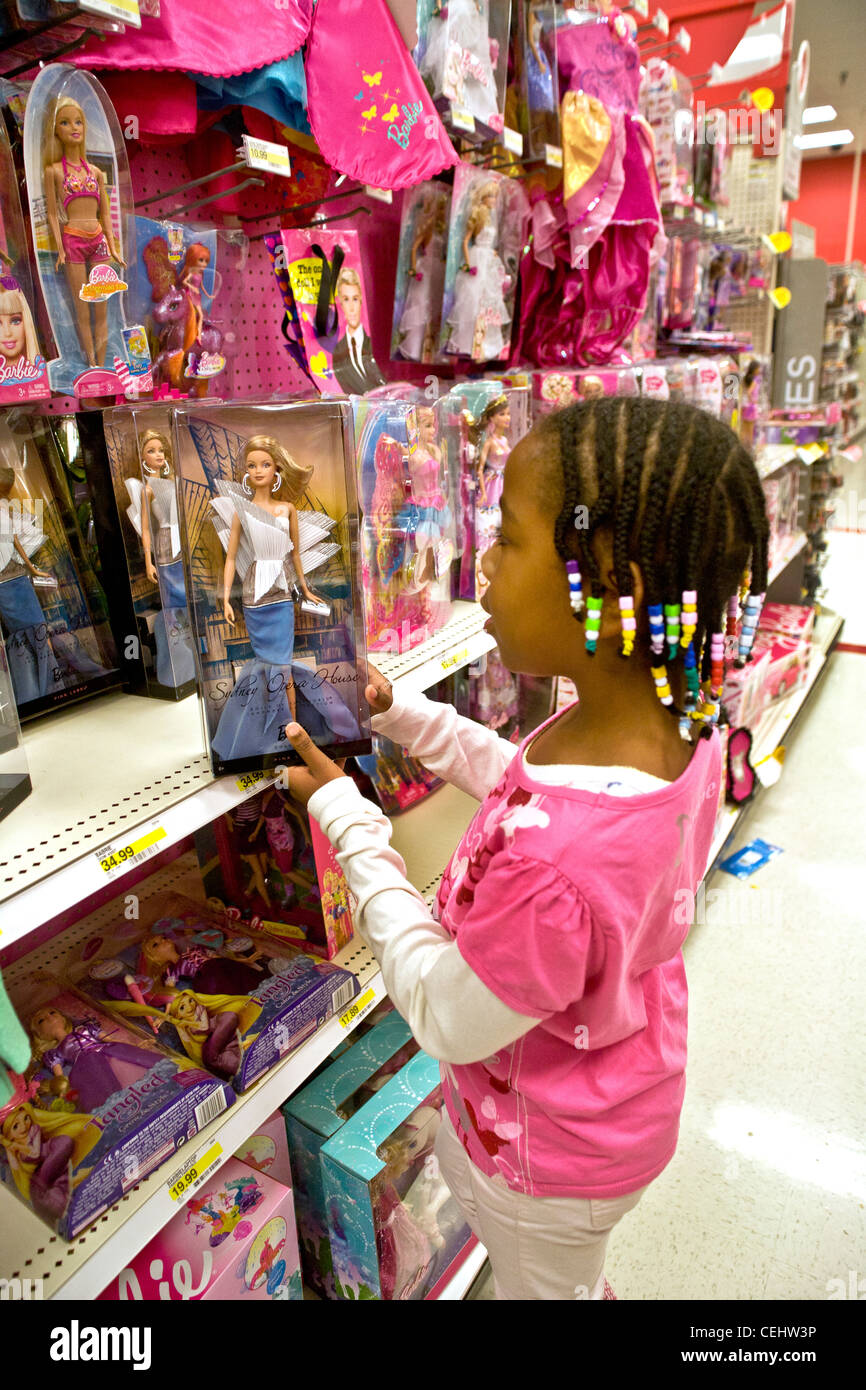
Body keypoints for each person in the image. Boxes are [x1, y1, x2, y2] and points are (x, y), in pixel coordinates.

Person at [283, 396, 769, 1300]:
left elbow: (441, 1009)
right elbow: (524, 784)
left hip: (549, 1164)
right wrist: (402, 715)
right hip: (608, 1098)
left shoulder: (555, 874)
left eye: (506, 540)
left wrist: (351, 821)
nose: (481, 569)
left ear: (610, 581)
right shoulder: (668, 726)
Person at [331, 267, 385, 394]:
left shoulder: (377, 346)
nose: (351, 308)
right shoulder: (337, 353)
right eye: (346, 299)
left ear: (361, 300)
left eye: (355, 299)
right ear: (340, 303)